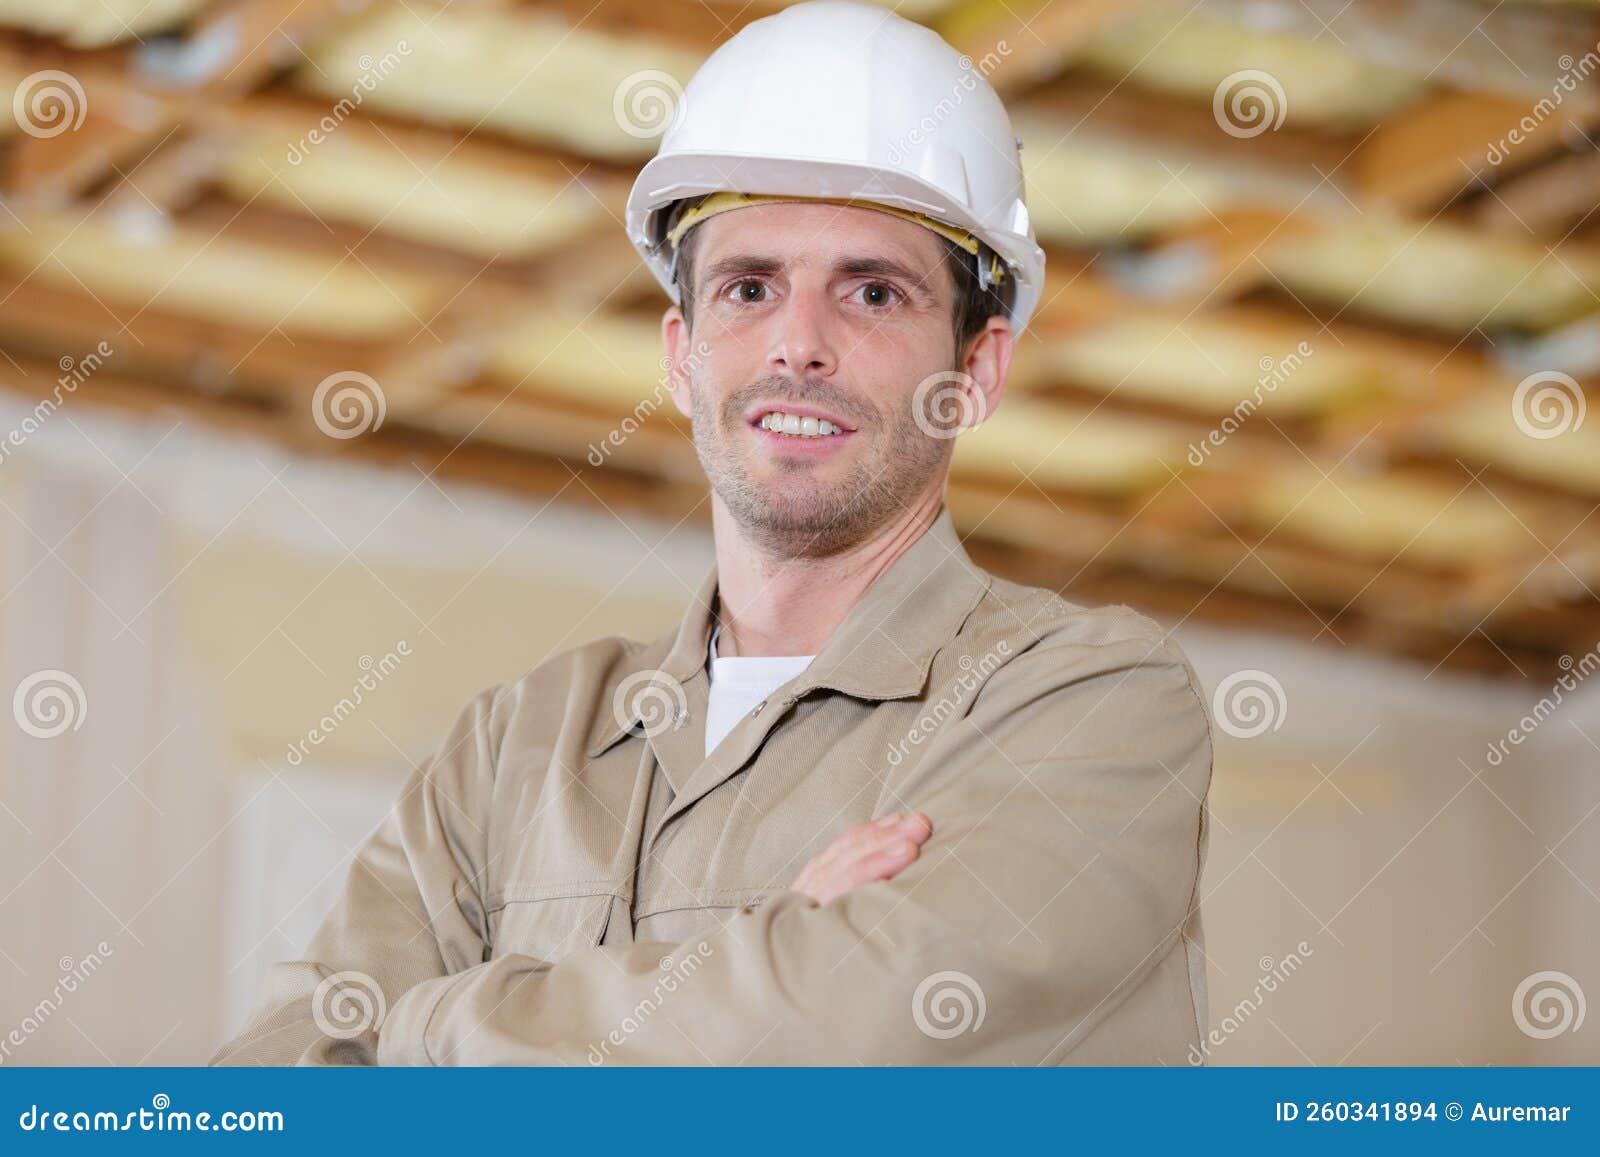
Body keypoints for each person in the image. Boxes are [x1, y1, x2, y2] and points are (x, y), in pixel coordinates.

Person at [210, 0, 1213, 1066]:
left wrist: (421, 1033)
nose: (799, 344)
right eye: (749, 286)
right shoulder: (516, 748)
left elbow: (842, 1032)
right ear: (682, 355)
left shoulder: (1087, 702)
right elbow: (274, 1084)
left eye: (872, 292)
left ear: (973, 371)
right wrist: (765, 956)